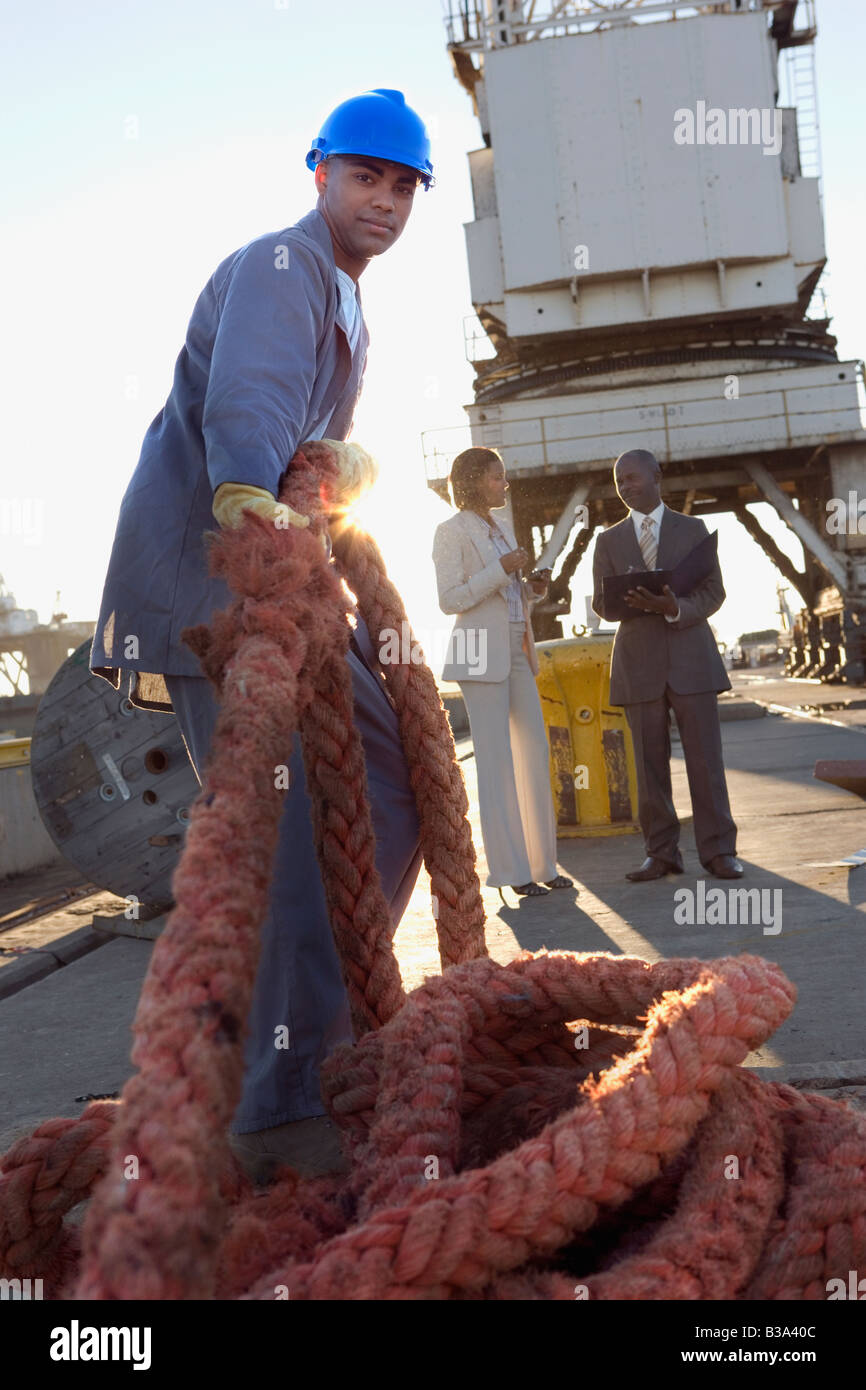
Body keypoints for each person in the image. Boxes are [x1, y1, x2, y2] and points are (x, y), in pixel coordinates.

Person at [88, 90, 435, 1180]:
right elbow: (249, 398)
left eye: (400, 185)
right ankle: (282, 1092)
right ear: (318, 173)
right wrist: (246, 491)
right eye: (362, 176)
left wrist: (344, 466)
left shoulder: (344, 300)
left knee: (388, 778)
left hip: (284, 581)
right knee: (282, 833)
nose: (381, 199)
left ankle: (321, 1021)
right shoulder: (283, 269)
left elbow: (304, 437)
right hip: (224, 587)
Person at [591, 448, 743, 882]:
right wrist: (634, 600)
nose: (625, 487)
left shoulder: (694, 530)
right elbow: (602, 604)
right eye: (619, 482)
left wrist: (675, 607)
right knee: (648, 767)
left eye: (633, 478)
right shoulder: (607, 541)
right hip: (638, 664)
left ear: (656, 476)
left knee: (706, 762)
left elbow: (714, 593)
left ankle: (719, 853)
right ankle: (661, 854)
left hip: (692, 659)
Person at [432, 447, 574, 901]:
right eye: (497, 478)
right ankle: (511, 873)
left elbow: (506, 598)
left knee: (534, 752)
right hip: (478, 652)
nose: (504, 485)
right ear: (474, 480)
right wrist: (501, 570)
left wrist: (529, 589)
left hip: (516, 646)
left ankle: (543, 865)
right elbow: (450, 599)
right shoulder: (449, 532)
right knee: (495, 763)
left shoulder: (500, 527)